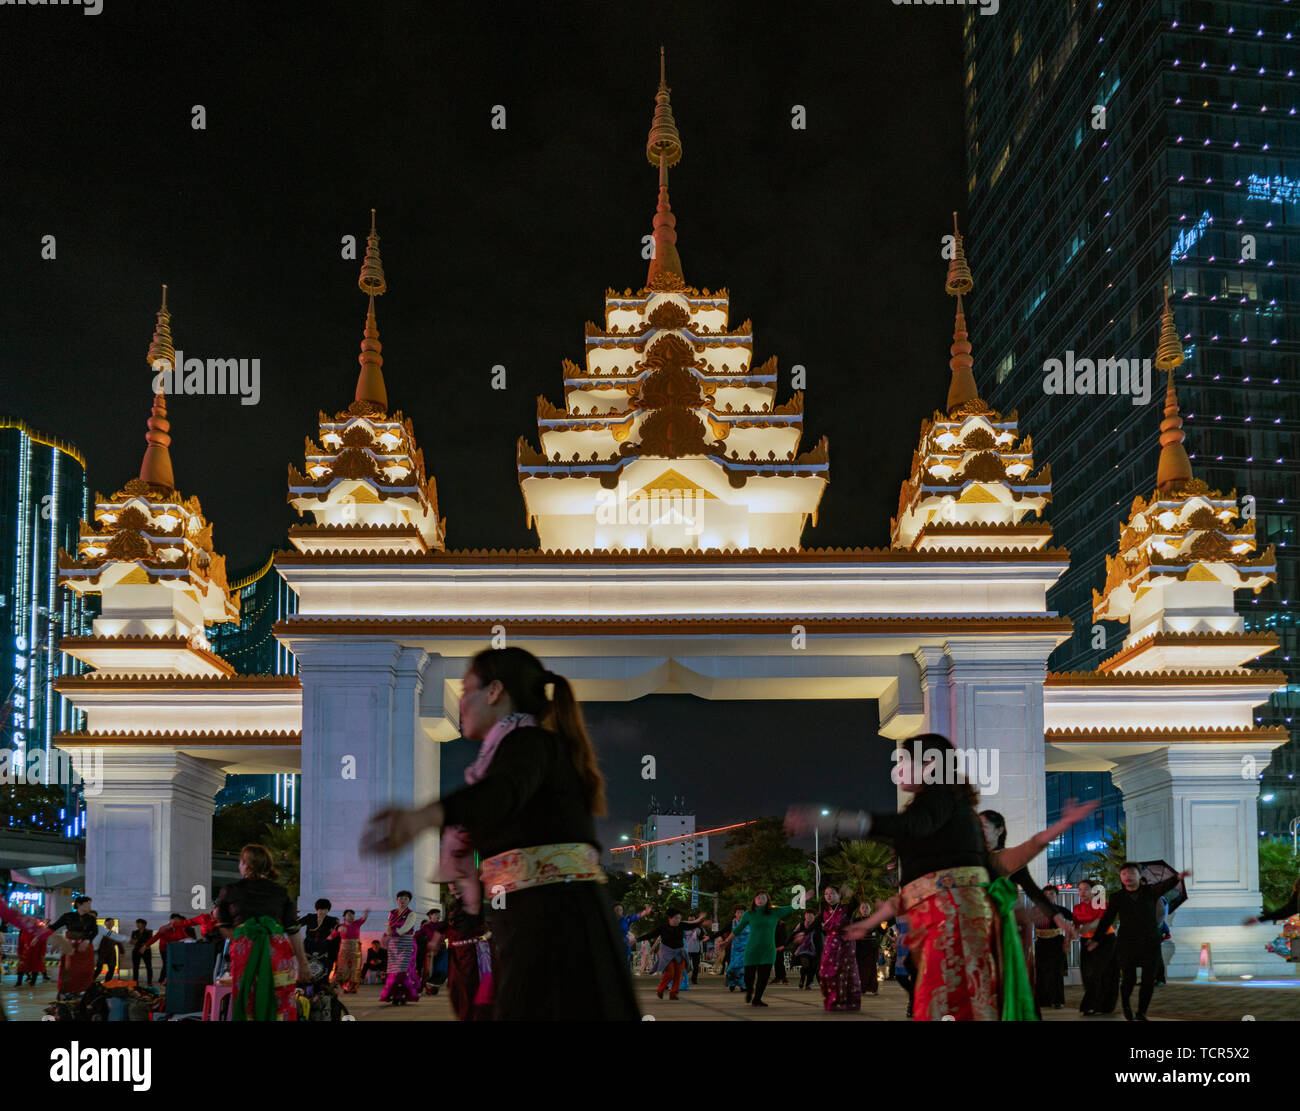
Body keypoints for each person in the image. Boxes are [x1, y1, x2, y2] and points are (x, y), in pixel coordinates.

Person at [363, 647, 640, 1020]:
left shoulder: (530, 744)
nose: (461, 701)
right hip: (540, 918)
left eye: (466, 688)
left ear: (494, 691)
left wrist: (421, 817)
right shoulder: (516, 750)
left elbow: (500, 794)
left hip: (559, 924)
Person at [795, 732, 1095, 1021]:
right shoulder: (948, 811)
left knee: (950, 1002)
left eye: (905, 761)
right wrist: (868, 924)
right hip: (946, 921)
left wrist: (838, 820)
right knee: (953, 1001)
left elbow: (917, 829)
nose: (898, 769)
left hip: (955, 922)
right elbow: (930, 877)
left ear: (931, 765)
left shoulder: (940, 801)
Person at [215, 843, 311, 1021]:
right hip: (277, 954)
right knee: (280, 1001)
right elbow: (293, 931)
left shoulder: (229, 890)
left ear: (246, 863)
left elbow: (224, 925)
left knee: (247, 1001)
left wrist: (241, 942)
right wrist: (303, 963)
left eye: (240, 862)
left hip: (245, 955)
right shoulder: (280, 891)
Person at [1088, 861, 1191, 1021]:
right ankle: (1126, 1006)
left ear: (1139, 875)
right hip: (1127, 943)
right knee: (1129, 979)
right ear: (1121, 878)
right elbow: (1107, 919)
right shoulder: (1117, 897)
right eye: (1124, 874)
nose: (1127, 877)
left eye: (1131, 873)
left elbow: (1165, 885)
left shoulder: (1150, 892)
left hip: (1150, 942)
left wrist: (1178, 877)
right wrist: (1096, 939)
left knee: (1148, 980)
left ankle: (1141, 1012)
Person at [736, 891, 799, 1006]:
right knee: (748, 977)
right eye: (758, 897)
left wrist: (803, 898)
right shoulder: (748, 914)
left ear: (767, 900)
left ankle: (757, 999)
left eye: (763, 897)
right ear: (754, 900)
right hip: (752, 950)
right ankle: (749, 990)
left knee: (763, 977)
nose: (760, 899)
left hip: (768, 950)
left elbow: (792, 907)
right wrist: (725, 941)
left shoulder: (774, 912)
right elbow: (738, 929)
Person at [1073, 877, 1118, 1015]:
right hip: (1086, 942)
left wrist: (1087, 927)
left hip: (1105, 940)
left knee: (1100, 973)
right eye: (1080, 889)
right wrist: (1070, 936)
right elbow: (1075, 926)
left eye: (1086, 889)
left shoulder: (1102, 904)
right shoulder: (1077, 908)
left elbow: (1100, 921)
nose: (1082, 892)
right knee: (1087, 973)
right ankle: (1096, 1004)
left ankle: (1094, 1005)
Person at [640, 908, 706, 1000]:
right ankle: (660, 989)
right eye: (676, 918)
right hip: (667, 953)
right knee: (670, 973)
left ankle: (674, 993)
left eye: (679, 918)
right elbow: (650, 935)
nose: (678, 920)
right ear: (669, 918)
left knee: (679, 974)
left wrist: (701, 921)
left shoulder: (681, 925)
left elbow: (692, 925)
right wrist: (636, 939)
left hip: (679, 953)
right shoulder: (663, 927)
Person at [445, 894, 492, 1020]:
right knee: (458, 990)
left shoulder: (483, 902)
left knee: (477, 988)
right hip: (459, 953)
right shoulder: (452, 905)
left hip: (479, 952)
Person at [819, 884, 860, 1012]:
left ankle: (847, 1003)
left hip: (845, 946)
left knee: (844, 974)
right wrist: (802, 933)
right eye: (826, 893)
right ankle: (832, 1001)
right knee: (826, 973)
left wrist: (851, 893)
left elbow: (856, 902)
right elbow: (814, 924)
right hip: (830, 947)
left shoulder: (846, 909)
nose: (828, 896)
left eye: (832, 893)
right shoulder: (825, 912)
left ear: (839, 895)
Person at [48, 896, 100, 996]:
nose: (89, 906)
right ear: (79, 905)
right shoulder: (68, 916)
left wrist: (87, 940)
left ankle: (84, 991)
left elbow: (96, 932)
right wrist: (40, 936)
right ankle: (67, 992)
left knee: (86, 971)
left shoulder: (92, 919)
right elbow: (53, 927)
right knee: (70, 970)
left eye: (90, 904)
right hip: (71, 947)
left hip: (85, 948)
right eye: (87, 904)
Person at [1032, 885, 1071, 1010]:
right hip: (1041, 943)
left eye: (1052, 894)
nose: (1049, 897)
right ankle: (1043, 1000)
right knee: (1041, 971)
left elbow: (1074, 922)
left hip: (1056, 943)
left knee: (1056, 972)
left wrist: (1067, 940)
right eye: (1046, 894)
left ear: (1056, 896)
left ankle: (1057, 1000)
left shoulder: (1061, 910)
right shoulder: (1034, 910)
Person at [380, 891, 421, 1005]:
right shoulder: (392, 913)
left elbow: (405, 928)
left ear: (409, 901)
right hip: (394, 945)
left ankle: (404, 996)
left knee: (403, 970)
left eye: (405, 899)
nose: (402, 901)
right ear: (397, 900)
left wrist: (391, 934)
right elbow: (388, 926)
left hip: (406, 943)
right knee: (393, 971)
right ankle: (394, 995)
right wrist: (386, 936)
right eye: (400, 898)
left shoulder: (411, 914)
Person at [298, 898, 340, 983]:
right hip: (309, 946)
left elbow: (336, 931)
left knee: (324, 966)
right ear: (317, 909)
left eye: (325, 910)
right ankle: (306, 982)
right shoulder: (310, 917)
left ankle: (323, 984)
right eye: (321, 909)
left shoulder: (331, 920)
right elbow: (297, 924)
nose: (323, 912)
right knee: (308, 965)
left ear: (328, 910)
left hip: (323, 947)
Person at [328, 909, 369, 993]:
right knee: (344, 969)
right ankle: (345, 987)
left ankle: (353, 988)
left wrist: (366, 913)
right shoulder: (340, 926)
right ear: (344, 916)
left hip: (356, 950)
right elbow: (331, 937)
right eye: (349, 915)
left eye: (352, 915)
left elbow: (364, 918)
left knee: (355, 969)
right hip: (344, 951)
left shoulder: (357, 923)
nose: (351, 917)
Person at [851, 900, 882, 995]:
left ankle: (874, 988)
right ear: (860, 910)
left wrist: (893, 939)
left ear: (870, 909)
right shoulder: (855, 921)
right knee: (861, 969)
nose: (865, 910)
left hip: (872, 948)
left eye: (867, 907)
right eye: (863, 908)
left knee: (872, 968)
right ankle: (862, 988)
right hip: (860, 948)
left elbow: (882, 931)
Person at [788, 909, 822, 989]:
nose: (808, 916)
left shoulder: (818, 925)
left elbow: (826, 932)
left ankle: (808, 983)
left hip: (815, 949)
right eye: (807, 915)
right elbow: (792, 934)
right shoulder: (801, 925)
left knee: (813, 967)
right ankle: (802, 978)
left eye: (810, 915)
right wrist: (785, 944)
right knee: (806, 966)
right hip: (803, 950)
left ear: (815, 916)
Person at [614, 903, 651, 970]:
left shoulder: (625, 919)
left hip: (625, 946)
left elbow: (635, 917)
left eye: (621, 910)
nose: (619, 911)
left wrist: (645, 912)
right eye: (617, 910)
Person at [724, 904, 749, 992]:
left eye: (742, 912)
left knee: (743, 967)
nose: (740, 914)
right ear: (735, 913)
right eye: (738, 912)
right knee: (733, 966)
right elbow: (722, 931)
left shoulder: (749, 922)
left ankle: (743, 985)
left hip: (746, 948)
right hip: (735, 949)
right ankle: (732, 983)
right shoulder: (732, 923)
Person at [129, 919, 154, 986]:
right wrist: (141, 942)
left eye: (138, 923)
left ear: (143, 924)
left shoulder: (149, 931)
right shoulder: (134, 932)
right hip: (136, 951)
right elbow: (132, 941)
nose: (137, 925)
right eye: (136, 923)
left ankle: (149, 982)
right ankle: (135, 982)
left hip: (146, 950)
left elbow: (149, 940)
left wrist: (138, 941)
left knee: (148, 966)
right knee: (135, 967)